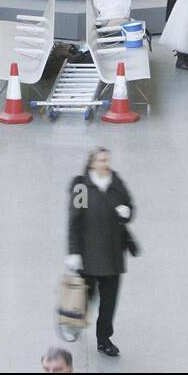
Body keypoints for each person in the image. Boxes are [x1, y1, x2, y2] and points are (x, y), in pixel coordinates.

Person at [66, 148, 136, 358]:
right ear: (91, 163)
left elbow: (130, 206)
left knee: (109, 302)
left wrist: (127, 212)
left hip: (113, 254)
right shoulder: (81, 186)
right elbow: (74, 221)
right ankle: (74, 323)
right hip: (88, 255)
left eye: (107, 159)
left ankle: (104, 339)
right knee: (85, 296)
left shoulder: (116, 183)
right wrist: (73, 252)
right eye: (101, 160)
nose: (106, 163)